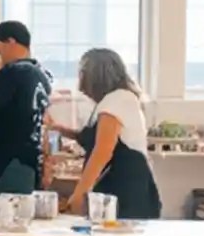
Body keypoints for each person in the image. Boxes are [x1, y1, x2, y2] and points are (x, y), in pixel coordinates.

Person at [51, 48, 161, 219]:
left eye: (82, 75)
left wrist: (80, 192)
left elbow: (103, 150)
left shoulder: (117, 100)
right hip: (124, 183)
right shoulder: (117, 99)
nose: (80, 86)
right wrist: (57, 127)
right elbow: (91, 139)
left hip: (125, 187)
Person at [0, 21, 53, 197]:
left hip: (7, 157)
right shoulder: (42, 75)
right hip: (32, 158)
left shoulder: (12, 72)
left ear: (10, 42)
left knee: (2, 212)